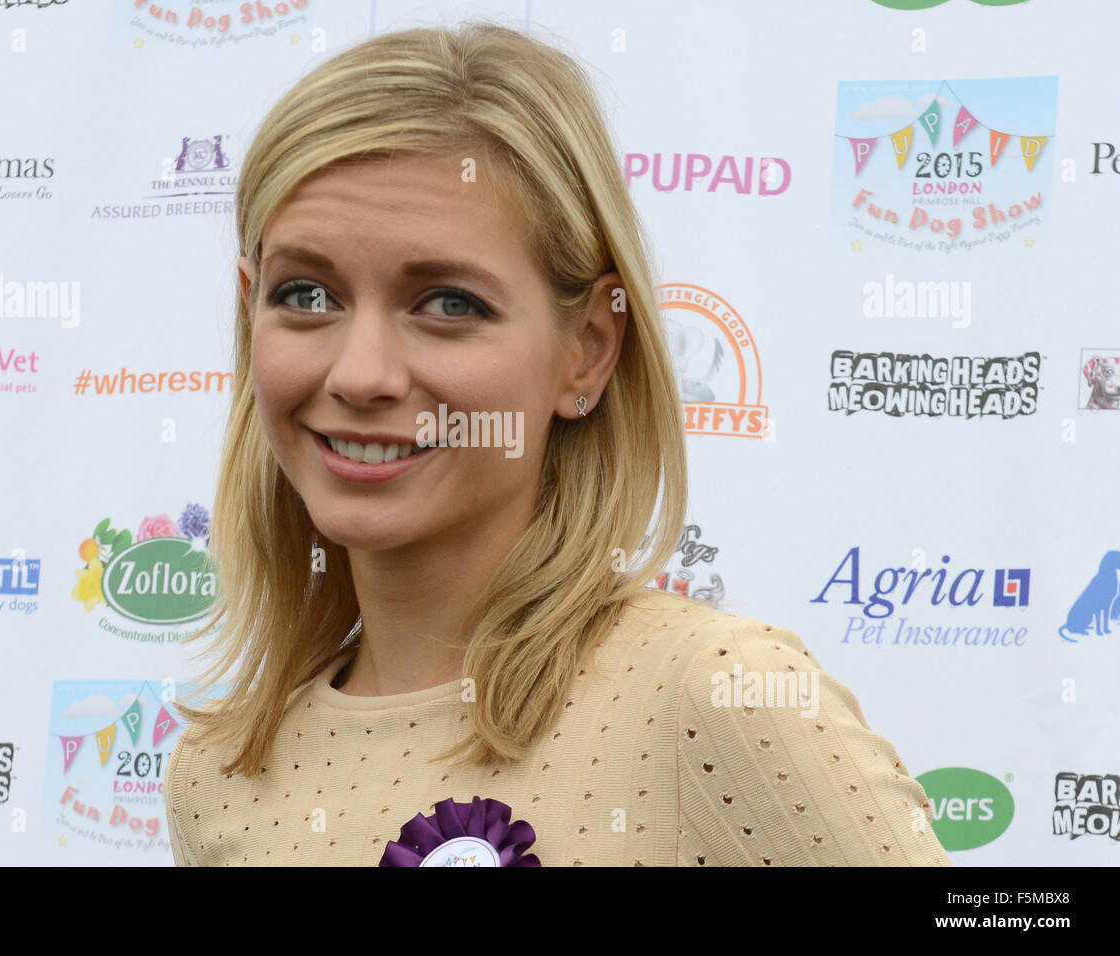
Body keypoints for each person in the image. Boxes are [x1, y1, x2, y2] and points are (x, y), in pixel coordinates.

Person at [163, 21, 950, 867]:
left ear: (588, 350)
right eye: (307, 293)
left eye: (449, 304)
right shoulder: (218, 774)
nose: (362, 375)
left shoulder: (717, 694)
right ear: (250, 315)